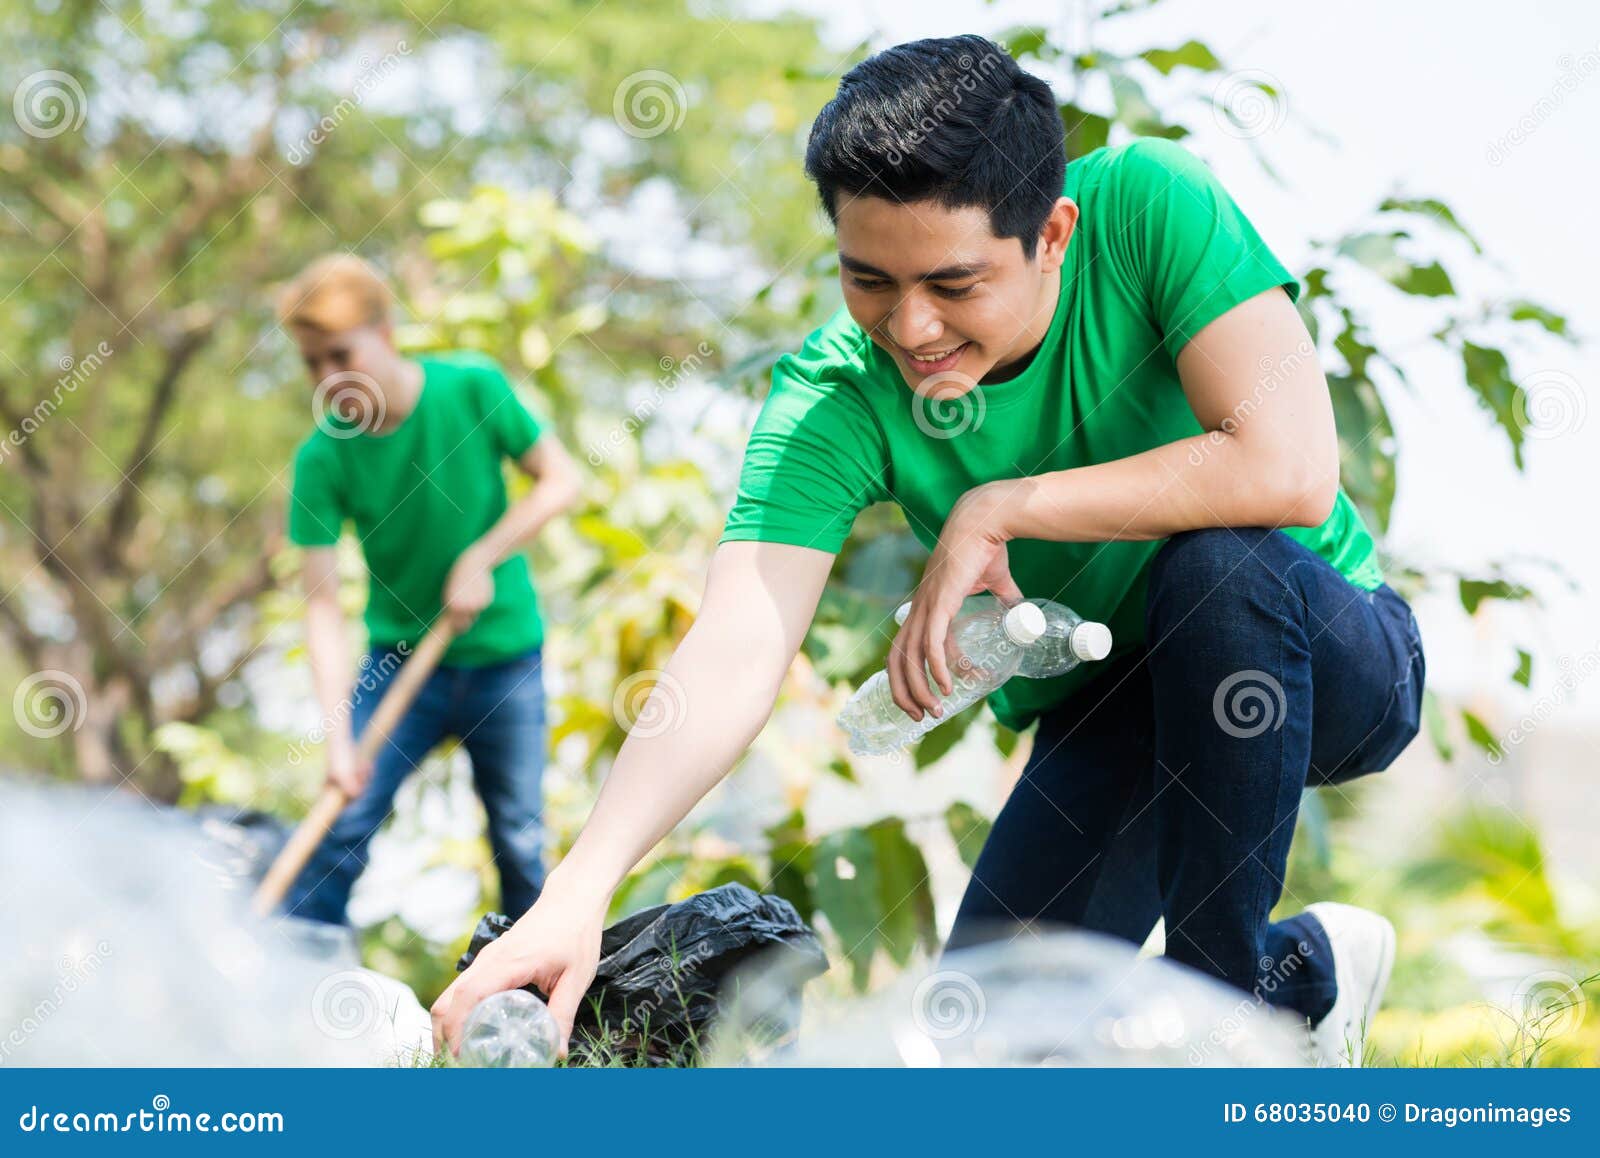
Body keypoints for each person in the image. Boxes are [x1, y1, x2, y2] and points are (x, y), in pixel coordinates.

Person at [432, 36, 1426, 1066]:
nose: (910, 327)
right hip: (1117, 710)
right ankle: (1304, 978)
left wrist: (998, 507)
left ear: (1051, 234)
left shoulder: (1148, 203)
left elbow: (1287, 465)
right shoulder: (833, 394)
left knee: (1214, 567)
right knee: (983, 1059)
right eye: (869, 280)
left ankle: (1231, 1037)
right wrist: (577, 891)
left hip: (1320, 651)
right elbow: (737, 642)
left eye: (954, 284)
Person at [278, 253, 580, 926]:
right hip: (399, 666)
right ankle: (294, 988)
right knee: (341, 827)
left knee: (520, 843)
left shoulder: (471, 387)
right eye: (311, 364)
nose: (327, 378)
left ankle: (533, 1013)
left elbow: (560, 481)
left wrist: (482, 554)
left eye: (339, 354)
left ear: (384, 334)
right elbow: (322, 606)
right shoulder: (322, 457)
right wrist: (336, 739)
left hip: (505, 657)